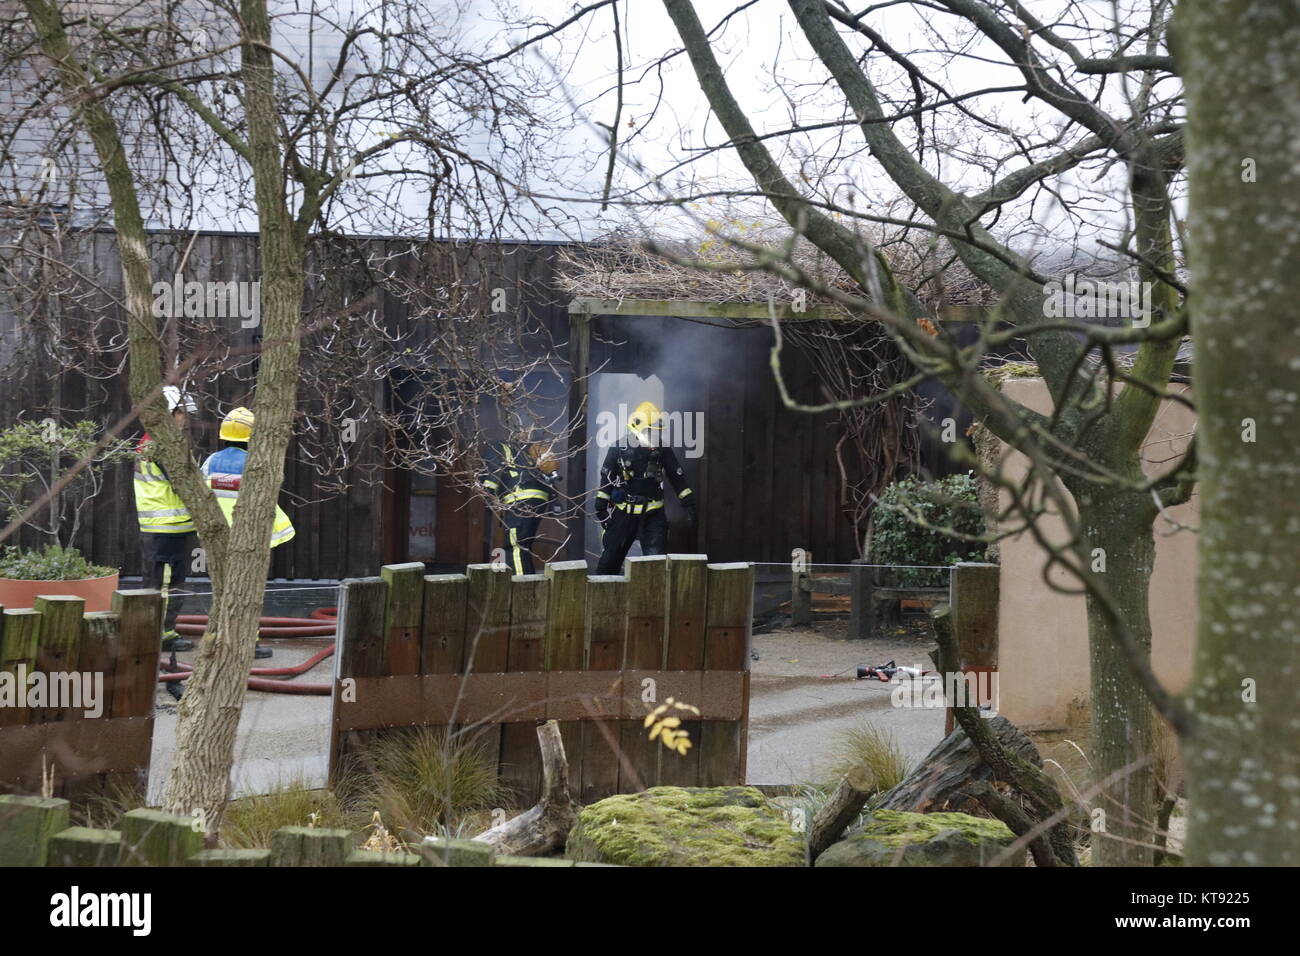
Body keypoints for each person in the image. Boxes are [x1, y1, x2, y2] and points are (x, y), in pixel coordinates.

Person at [200, 406, 296, 658]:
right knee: (249, 591)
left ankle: (220, 639)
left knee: (222, 589)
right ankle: (247, 643)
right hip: (249, 539)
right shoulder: (256, 463)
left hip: (218, 537)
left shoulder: (210, 461)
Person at [594, 400, 697, 574]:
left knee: (655, 566)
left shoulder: (661, 449)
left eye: (656, 432)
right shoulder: (619, 448)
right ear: (637, 429)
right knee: (608, 565)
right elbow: (606, 479)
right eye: (650, 431)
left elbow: (676, 477)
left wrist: (689, 504)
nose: (653, 436)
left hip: (653, 517)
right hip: (624, 515)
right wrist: (601, 508)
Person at [134, 386, 198, 652]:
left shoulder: (148, 441)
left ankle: (153, 633)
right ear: (171, 413)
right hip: (170, 527)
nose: (185, 419)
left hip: (159, 526)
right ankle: (163, 635)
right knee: (169, 584)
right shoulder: (165, 445)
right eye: (182, 413)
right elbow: (185, 482)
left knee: (156, 583)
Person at [479, 434, 561, 574]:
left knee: (515, 547)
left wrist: (488, 496)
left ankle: (522, 586)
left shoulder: (497, 447)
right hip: (539, 498)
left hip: (519, 498)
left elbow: (491, 477)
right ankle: (530, 581)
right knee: (523, 546)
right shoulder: (526, 449)